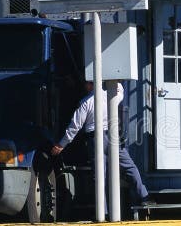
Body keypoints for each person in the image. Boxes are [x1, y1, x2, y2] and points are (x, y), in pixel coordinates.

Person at [51, 81, 153, 212]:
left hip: (95, 140)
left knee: (100, 177)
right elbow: (120, 89)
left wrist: (61, 145)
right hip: (114, 137)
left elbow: (74, 127)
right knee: (130, 167)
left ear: (89, 84)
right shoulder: (112, 96)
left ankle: (103, 212)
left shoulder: (85, 102)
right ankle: (144, 197)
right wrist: (113, 80)